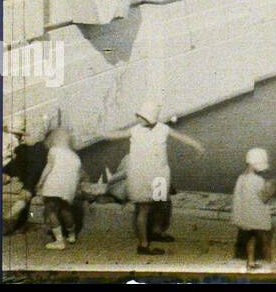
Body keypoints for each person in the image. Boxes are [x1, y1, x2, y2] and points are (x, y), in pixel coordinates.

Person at [98, 99, 205, 256]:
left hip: (152, 175)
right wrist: (197, 145)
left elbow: (115, 136)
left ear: (147, 118)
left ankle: (155, 233)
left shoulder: (136, 130)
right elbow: (181, 137)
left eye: (141, 116)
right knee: (146, 208)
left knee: (157, 205)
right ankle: (144, 244)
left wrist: (100, 132)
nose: (138, 119)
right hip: (149, 175)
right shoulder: (161, 129)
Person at [233, 147, 276, 271]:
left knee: (250, 238)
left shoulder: (241, 178)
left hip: (244, 216)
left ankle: (250, 261)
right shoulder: (258, 180)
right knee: (266, 241)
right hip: (257, 216)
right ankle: (269, 264)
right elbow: (265, 197)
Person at [36, 126, 81, 250]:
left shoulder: (54, 150)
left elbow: (49, 167)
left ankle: (59, 241)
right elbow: (77, 175)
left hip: (54, 184)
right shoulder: (75, 156)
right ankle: (71, 235)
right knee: (65, 210)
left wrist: (40, 182)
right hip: (68, 187)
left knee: (51, 210)